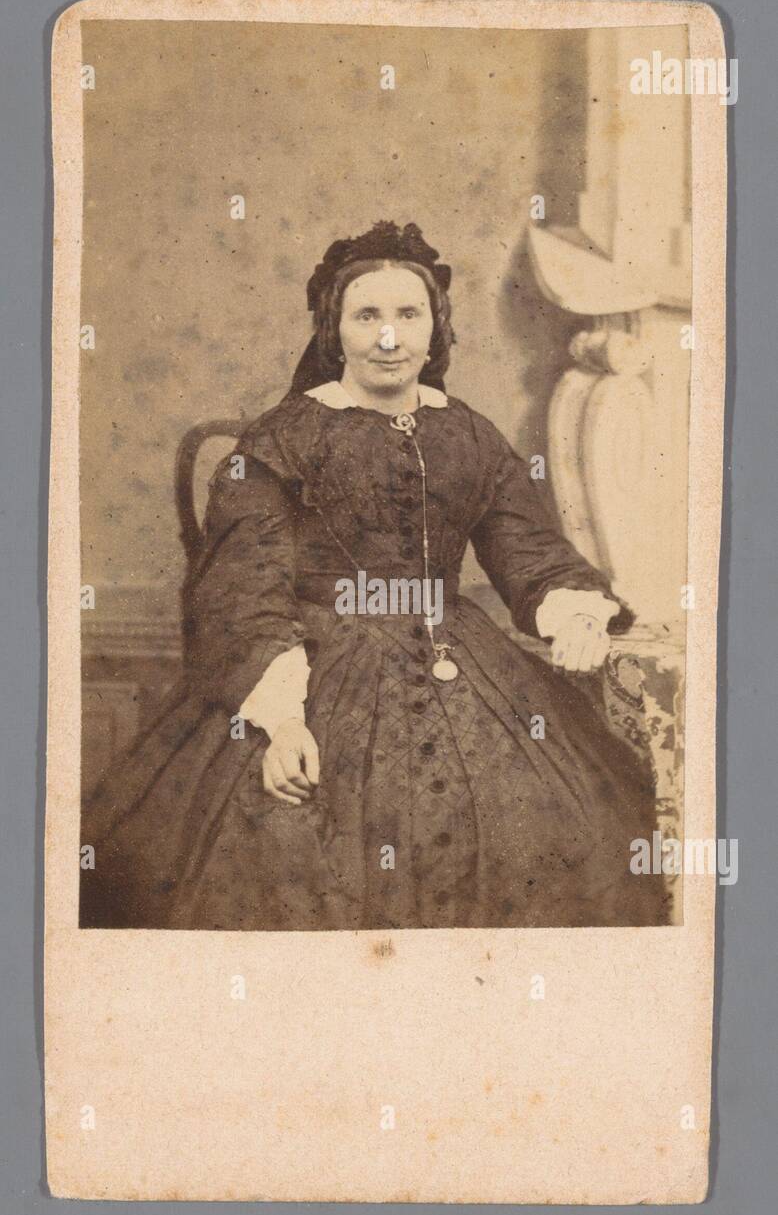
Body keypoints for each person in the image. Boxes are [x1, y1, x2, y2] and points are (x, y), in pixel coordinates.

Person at [81, 220, 670, 931]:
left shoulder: (469, 433)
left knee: (564, 830)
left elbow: (526, 548)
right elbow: (243, 587)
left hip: (462, 658)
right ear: (335, 330)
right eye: (367, 316)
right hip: (312, 665)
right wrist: (281, 721)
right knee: (283, 848)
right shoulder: (284, 437)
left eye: (407, 314)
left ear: (435, 326)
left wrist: (572, 612)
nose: (388, 338)